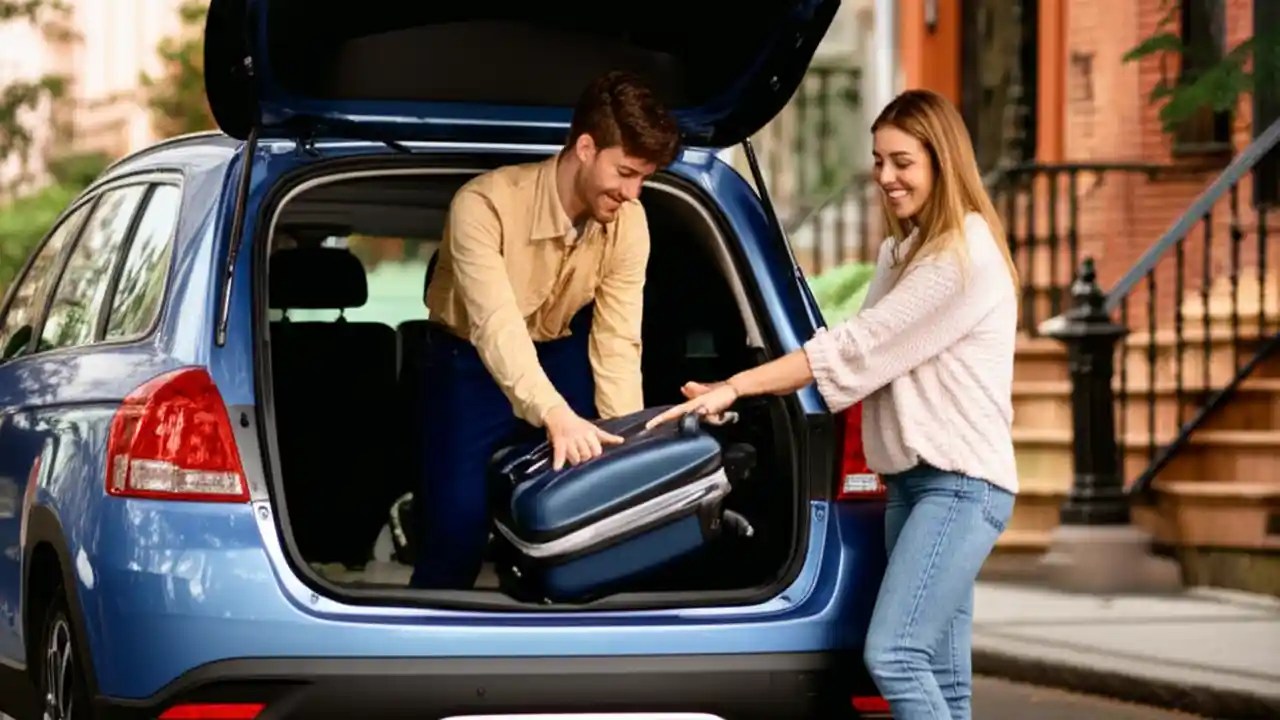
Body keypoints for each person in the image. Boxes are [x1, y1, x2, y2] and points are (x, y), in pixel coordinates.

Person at [646, 89, 1019, 719]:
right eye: (878, 161)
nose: (886, 176)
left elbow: (853, 349)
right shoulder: (901, 253)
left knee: (897, 655)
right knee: (943, 679)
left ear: (943, 160)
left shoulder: (962, 256)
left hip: (961, 486)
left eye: (903, 161)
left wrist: (737, 385)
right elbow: (858, 352)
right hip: (912, 483)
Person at [412, 70, 681, 590]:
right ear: (586, 147)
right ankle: (429, 630)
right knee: (457, 527)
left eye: (643, 179)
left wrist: (627, 443)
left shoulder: (630, 222)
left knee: (589, 509)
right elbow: (496, 326)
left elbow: (617, 341)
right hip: (467, 363)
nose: (633, 193)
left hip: (559, 354)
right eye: (625, 172)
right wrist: (554, 414)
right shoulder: (483, 205)